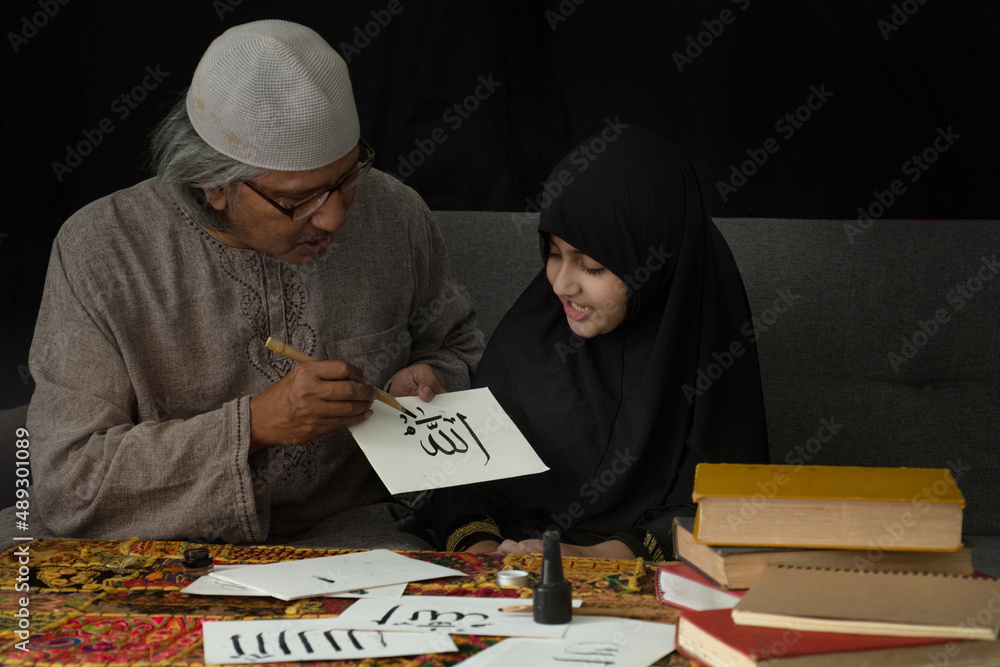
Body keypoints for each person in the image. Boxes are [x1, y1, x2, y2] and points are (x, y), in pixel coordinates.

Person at [9, 20, 483, 550]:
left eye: (348, 179)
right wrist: (255, 425)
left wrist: (429, 378)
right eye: (298, 198)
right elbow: (68, 480)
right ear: (213, 183)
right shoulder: (103, 249)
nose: (333, 219)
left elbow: (458, 347)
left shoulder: (393, 213)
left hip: (359, 535)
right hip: (160, 547)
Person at [423, 126, 768, 560]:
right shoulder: (533, 336)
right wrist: (483, 548)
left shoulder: (707, 343)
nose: (561, 285)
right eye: (552, 253)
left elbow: (724, 506)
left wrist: (591, 559)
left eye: (591, 266)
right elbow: (461, 478)